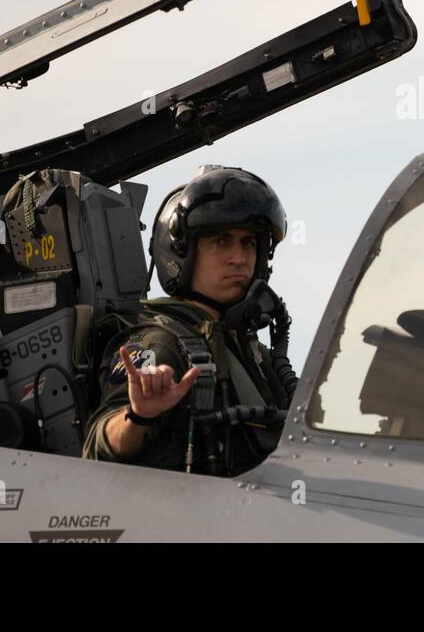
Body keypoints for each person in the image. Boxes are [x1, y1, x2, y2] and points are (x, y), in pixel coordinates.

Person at [81, 165, 297, 476]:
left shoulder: (250, 350)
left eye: (248, 243)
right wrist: (139, 415)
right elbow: (97, 449)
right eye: (222, 241)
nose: (239, 257)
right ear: (181, 253)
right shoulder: (162, 342)